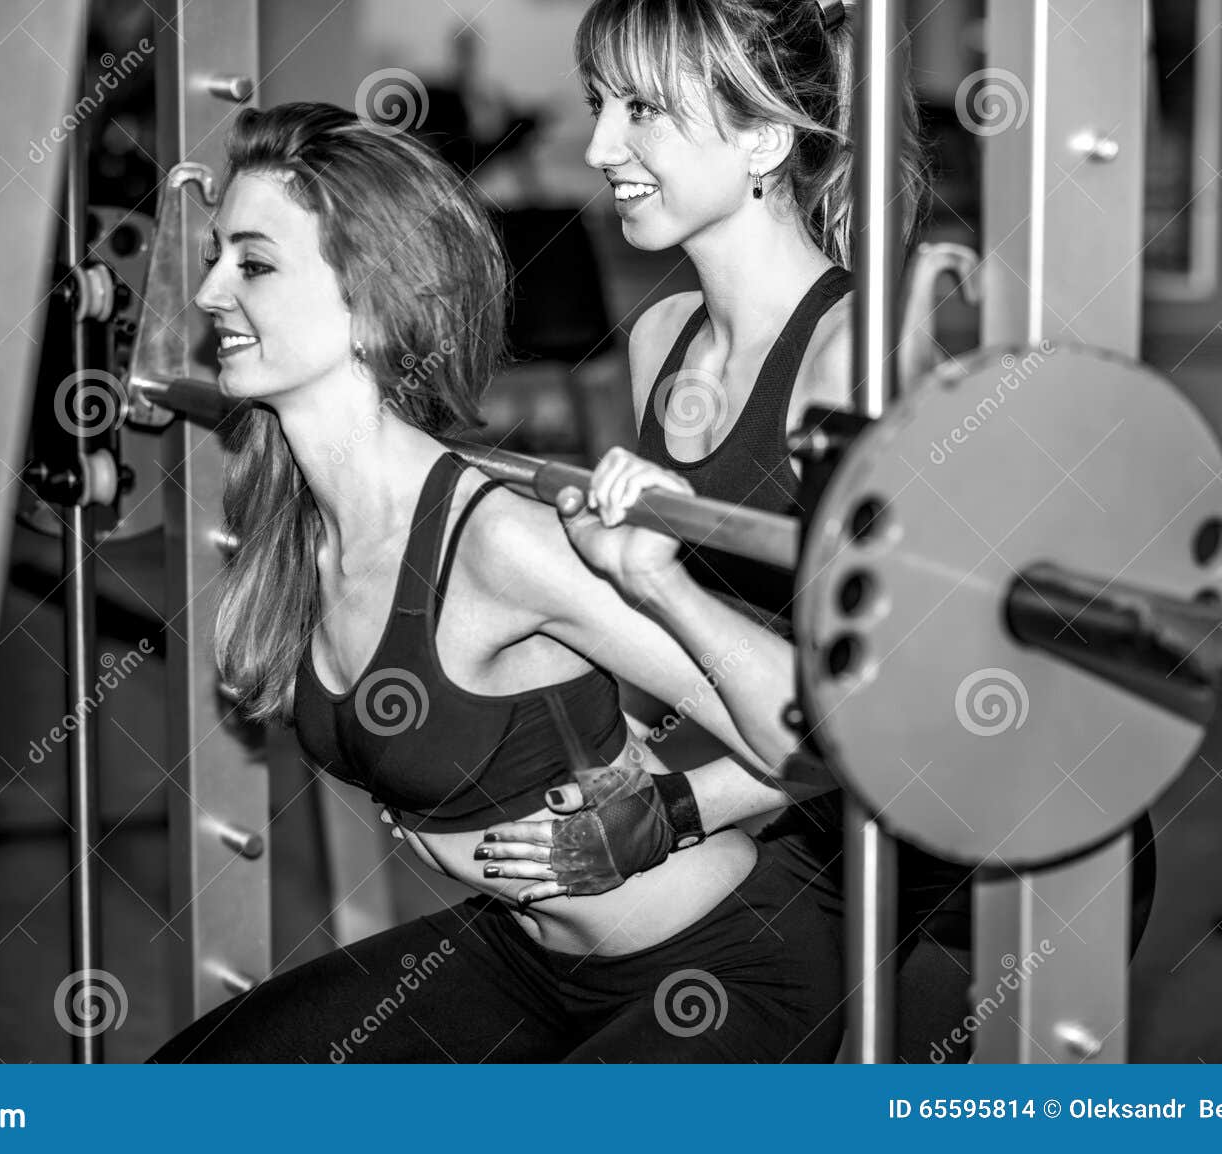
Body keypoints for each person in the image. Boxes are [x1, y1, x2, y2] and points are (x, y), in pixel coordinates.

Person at [475, 0, 1157, 1063]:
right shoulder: (661, 340)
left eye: (642, 109)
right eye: (598, 103)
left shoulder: (854, 362)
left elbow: (911, 697)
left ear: (763, 138)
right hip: (811, 807)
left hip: (976, 838)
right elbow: (692, 635)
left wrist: (675, 807)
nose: (601, 146)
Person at [148, 100, 846, 1064]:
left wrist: (671, 783)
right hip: (528, 958)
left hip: (720, 968)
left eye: (254, 265)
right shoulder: (305, 524)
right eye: (215, 258)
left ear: (371, 301)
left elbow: (822, 739)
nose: (211, 292)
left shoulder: (498, 542)